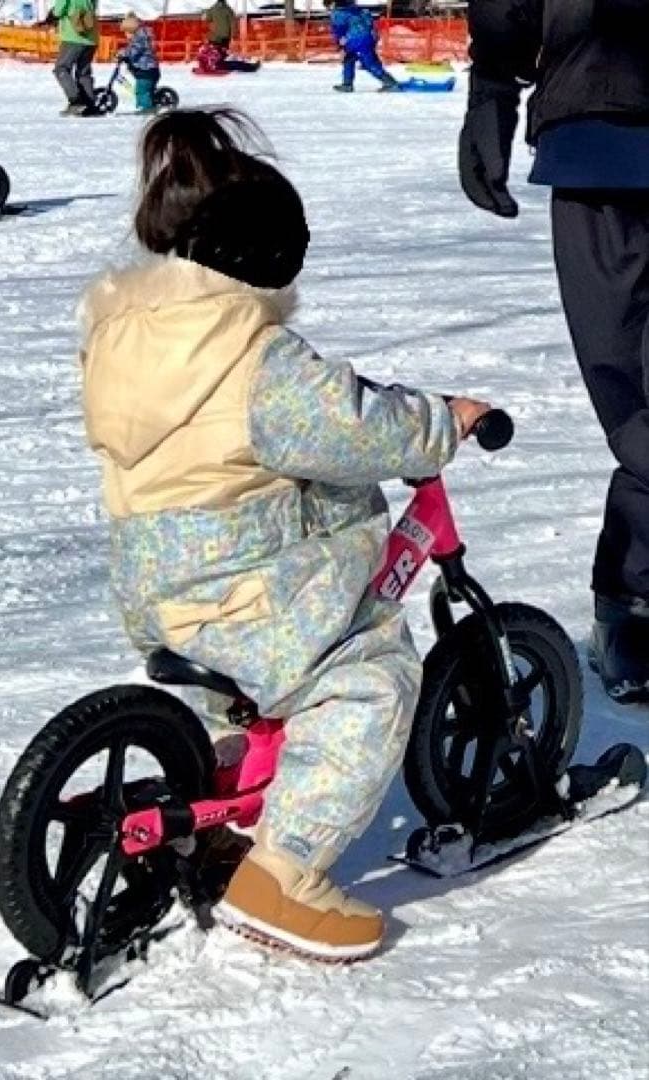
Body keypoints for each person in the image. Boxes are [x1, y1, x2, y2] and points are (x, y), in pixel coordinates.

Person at [77, 108, 490, 961]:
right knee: (365, 680)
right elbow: (358, 430)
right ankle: (284, 874)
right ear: (268, 263)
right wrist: (440, 422)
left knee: (242, 692)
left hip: (156, 586)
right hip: (246, 589)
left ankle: (219, 797)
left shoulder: (127, 335)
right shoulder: (257, 359)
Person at [459, 0, 649, 705]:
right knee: (627, 382)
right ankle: (632, 598)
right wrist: (490, 87)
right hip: (602, 117)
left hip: (596, 110)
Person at [325, 0, 400, 94]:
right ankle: (347, 84)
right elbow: (371, 24)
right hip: (366, 38)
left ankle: (391, 83)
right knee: (349, 60)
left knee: (369, 63)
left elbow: (339, 30)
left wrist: (339, 44)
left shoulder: (338, 13)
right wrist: (374, 38)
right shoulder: (362, 10)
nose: (328, 9)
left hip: (357, 41)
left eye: (328, 6)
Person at [39, 0, 97, 116]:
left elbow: (59, 10)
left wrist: (52, 16)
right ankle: (89, 105)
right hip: (91, 38)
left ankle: (76, 101)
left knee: (61, 68)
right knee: (84, 73)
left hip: (73, 37)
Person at [117, 13, 159, 114]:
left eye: (126, 32)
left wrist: (123, 53)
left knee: (142, 91)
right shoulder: (141, 37)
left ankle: (145, 108)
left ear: (132, 30)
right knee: (147, 91)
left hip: (146, 71)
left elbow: (133, 51)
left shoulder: (140, 39)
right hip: (149, 70)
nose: (125, 35)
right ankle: (151, 104)